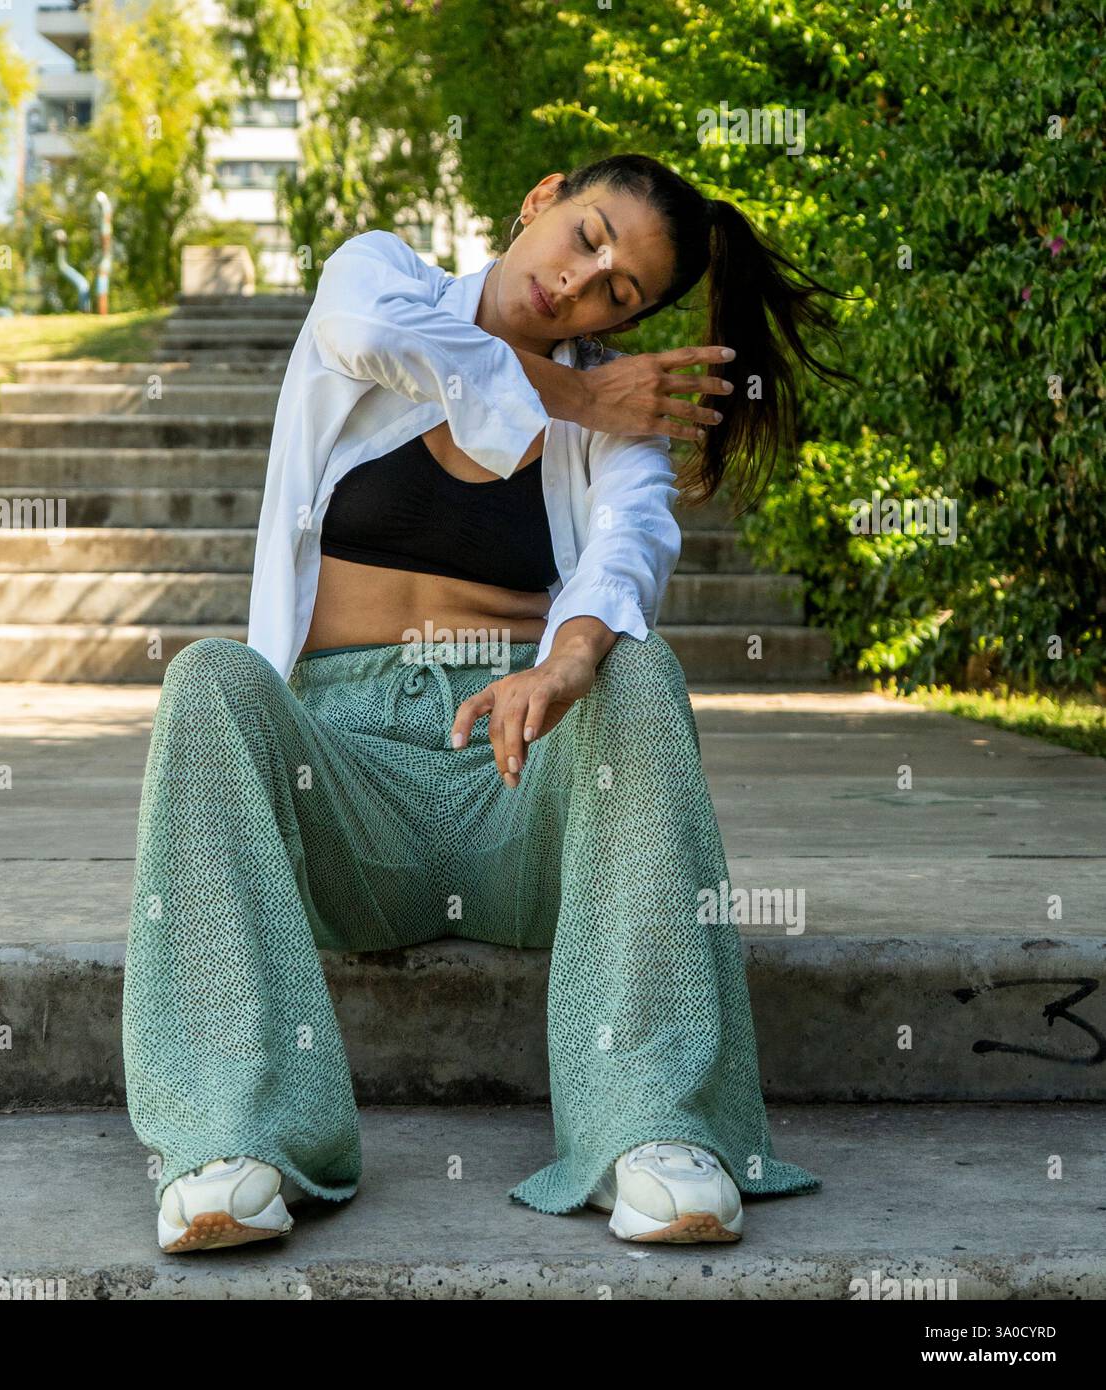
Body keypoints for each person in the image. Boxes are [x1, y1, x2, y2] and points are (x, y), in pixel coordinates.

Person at [122, 153, 855, 1253]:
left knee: (637, 664)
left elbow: (632, 544)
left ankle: (653, 1130)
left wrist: (567, 661)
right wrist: (570, 388)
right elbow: (365, 327)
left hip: (520, 780)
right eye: (587, 237)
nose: (582, 284)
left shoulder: (623, 418)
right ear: (540, 199)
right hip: (344, 783)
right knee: (209, 682)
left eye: (621, 293)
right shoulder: (387, 278)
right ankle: (235, 1139)